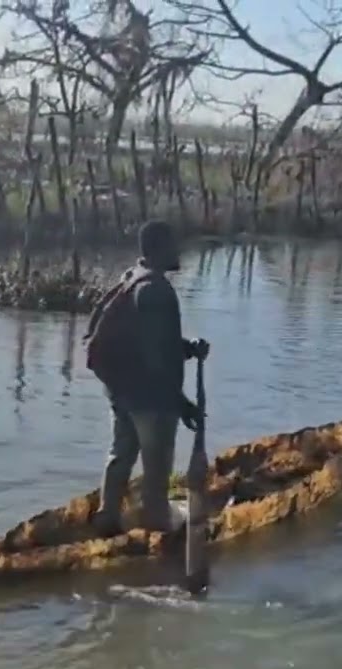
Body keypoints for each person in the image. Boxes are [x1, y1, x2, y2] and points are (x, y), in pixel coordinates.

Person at [94, 220, 208, 536]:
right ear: (159, 249)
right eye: (173, 243)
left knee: (120, 457)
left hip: (121, 392)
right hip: (150, 399)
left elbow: (149, 340)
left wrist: (187, 348)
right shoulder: (157, 290)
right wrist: (181, 403)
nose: (179, 249)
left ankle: (107, 518)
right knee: (157, 472)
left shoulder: (132, 278)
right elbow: (157, 356)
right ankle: (159, 532)